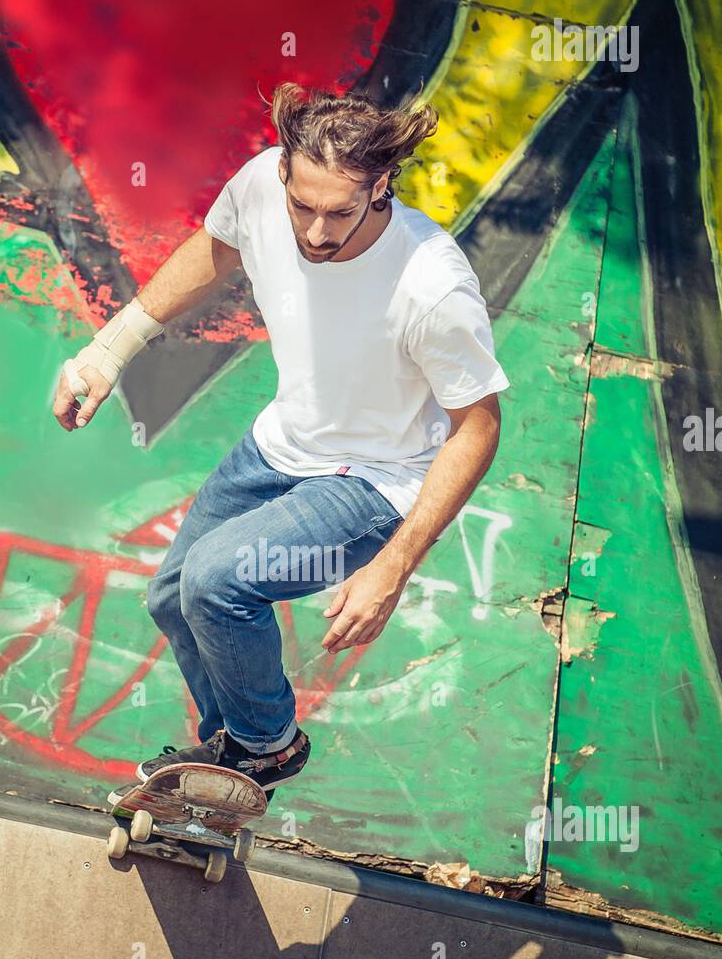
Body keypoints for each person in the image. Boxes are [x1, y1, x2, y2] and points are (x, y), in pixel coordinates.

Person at [53, 83, 508, 800]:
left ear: (382, 184)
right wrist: (109, 350)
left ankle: (266, 748)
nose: (318, 233)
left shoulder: (430, 283)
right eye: (304, 206)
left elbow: (478, 426)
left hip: (375, 480)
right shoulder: (261, 187)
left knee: (220, 581)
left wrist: (394, 566)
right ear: (284, 176)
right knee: (173, 597)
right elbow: (216, 248)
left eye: (341, 213)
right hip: (281, 444)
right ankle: (226, 760)